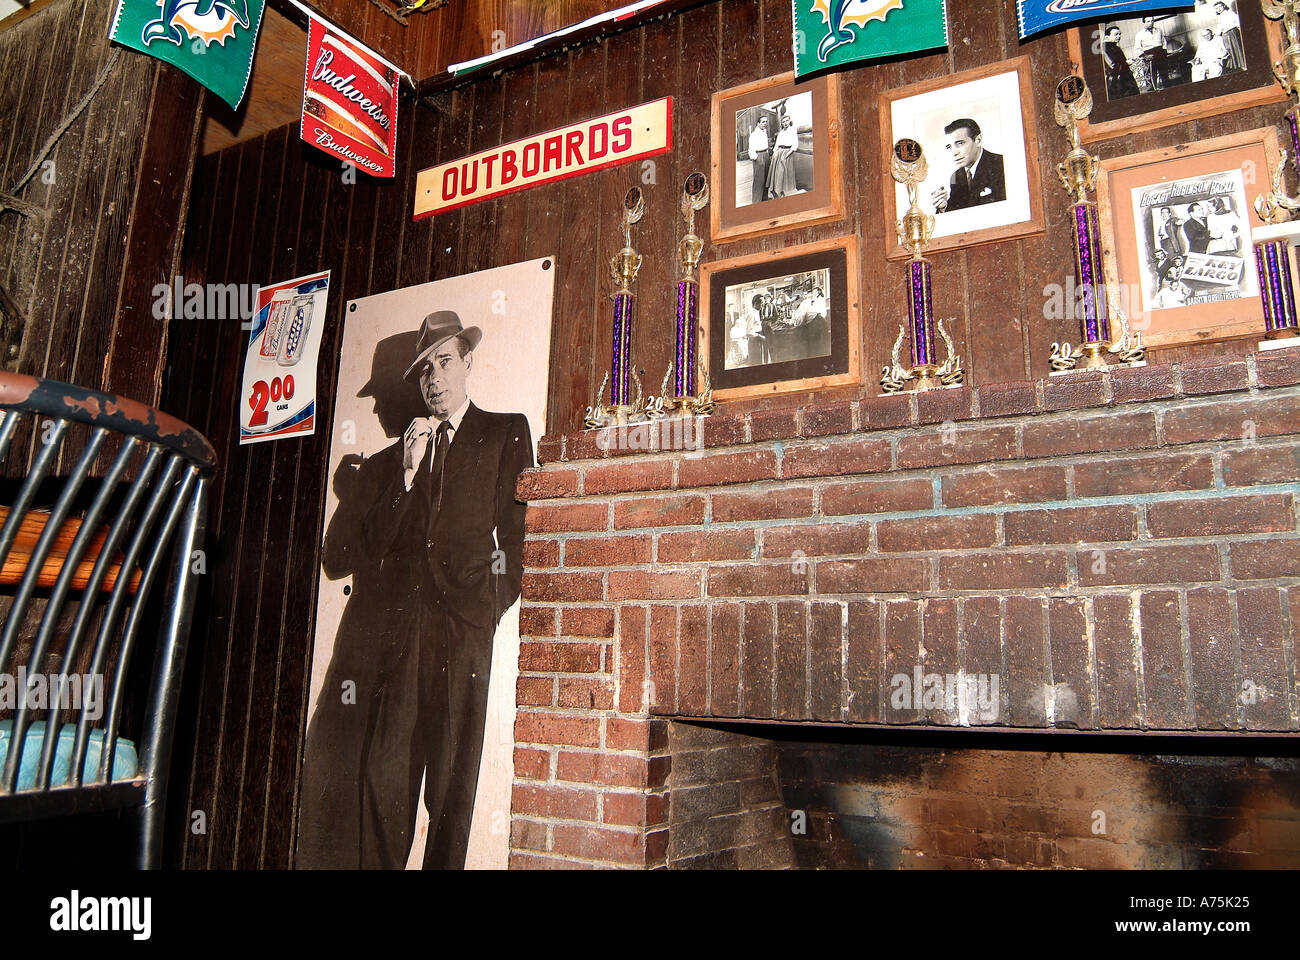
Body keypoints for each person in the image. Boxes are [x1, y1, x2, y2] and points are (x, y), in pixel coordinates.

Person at [306, 310, 533, 870]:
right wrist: (404, 479)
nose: (434, 377)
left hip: (464, 637)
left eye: (445, 361)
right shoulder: (389, 463)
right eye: (424, 369)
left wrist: (487, 607)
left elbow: (518, 537)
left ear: (467, 362)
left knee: (452, 793)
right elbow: (341, 558)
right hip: (401, 641)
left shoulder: (505, 430)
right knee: (386, 779)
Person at [297, 331, 434, 870]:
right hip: (362, 644)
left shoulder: (447, 462)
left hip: (417, 649)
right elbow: (335, 557)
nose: (379, 409)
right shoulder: (372, 468)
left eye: (385, 396)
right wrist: (361, 492)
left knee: (389, 782)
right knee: (332, 764)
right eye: (375, 400)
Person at [930, 118, 1005, 213]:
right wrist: (943, 208)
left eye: (960, 143)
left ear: (978, 140)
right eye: (949, 147)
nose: (954, 152)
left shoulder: (1002, 164)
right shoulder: (956, 176)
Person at [766, 115, 800, 199]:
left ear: (789, 121)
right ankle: (777, 192)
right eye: (783, 121)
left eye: (787, 121)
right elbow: (777, 144)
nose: (785, 123)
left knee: (784, 173)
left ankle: (782, 192)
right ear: (781, 123)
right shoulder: (781, 133)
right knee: (776, 173)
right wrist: (774, 153)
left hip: (787, 152)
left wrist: (787, 155)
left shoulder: (793, 130)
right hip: (778, 152)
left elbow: (795, 144)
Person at [1102, 25, 1139, 100]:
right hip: (1118, 82)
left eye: (1119, 34)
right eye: (1116, 34)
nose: (1119, 36)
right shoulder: (1106, 49)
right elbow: (1112, 66)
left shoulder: (1114, 47)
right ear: (1107, 37)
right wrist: (1127, 63)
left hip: (1123, 79)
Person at [1135, 16, 1168, 89]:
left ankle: (1168, 90)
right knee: (1151, 78)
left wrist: (1164, 51)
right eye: (1148, 21)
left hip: (1160, 54)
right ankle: (1152, 93)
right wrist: (1145, 56)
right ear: (1144, 22)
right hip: (1149, 56)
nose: (1151, 23)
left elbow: (1164, 42)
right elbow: (1137, 48)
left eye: (1152, 21)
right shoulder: (1139, 34)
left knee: (1165, 75)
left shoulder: (1159, 30)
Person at [747, 116, 771, 205]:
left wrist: (767, 154)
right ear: (758, 123)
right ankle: (756, 202)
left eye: (766, 121)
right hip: (758, 156)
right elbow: (751, 150)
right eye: (763, 122)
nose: (765, 123)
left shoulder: (764, 132)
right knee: (758, 180)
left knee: (766, 178)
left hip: (766, 155)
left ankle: (764, 198)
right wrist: (757, 158)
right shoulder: (754, 135)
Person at [1215, 2, 1244, 74]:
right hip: (1225, 35)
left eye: (1220, 7)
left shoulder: (1230, 13)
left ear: (1224, 6)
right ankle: (1237, 67)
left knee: (1236, 48)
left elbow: (1238, 22)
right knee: (1229, 50)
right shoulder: (1220, 16)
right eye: (1216, 8)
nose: (1218, 9)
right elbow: (1219, 29)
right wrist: (1217, 34)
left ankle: (1242, 65)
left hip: (1232, 33)